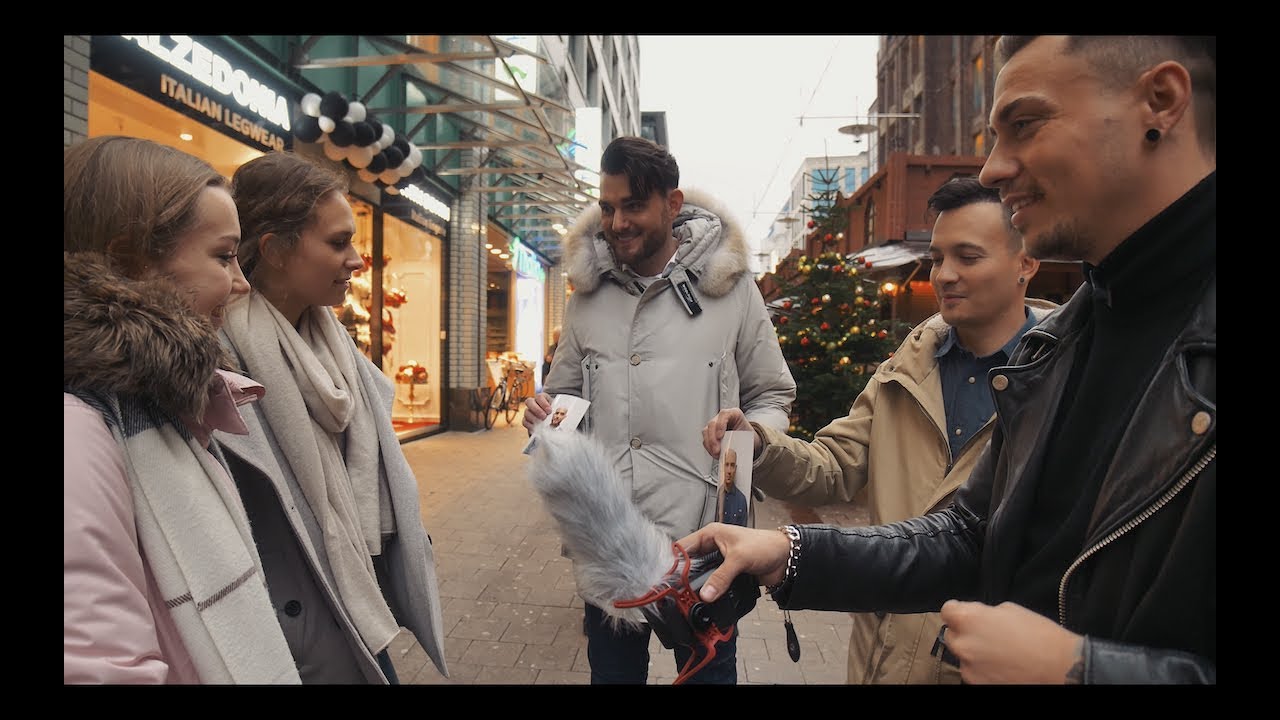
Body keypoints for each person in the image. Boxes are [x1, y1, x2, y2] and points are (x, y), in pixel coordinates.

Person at [683, 35, 1215, 684]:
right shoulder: (1068, 341)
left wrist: (1077, 671)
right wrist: (786, 552)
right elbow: (969, 534)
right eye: (939, 258)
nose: (992, 167)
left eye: (1025, 124)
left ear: (1160, 101)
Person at [701, 175, 1053, 684]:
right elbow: (833, 468)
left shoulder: (1062, 382)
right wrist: (759, 443)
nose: (945, 275)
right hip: (881, 658)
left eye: (968, 257)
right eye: (937, 258)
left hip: (980, 666)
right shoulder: (907, 368)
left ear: (1026, 263)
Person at [523, 135, 796, 684]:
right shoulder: (587, 295)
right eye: (607, 207)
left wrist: (754, 435)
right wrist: (545, 419)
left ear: (672, 205)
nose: (616, 222)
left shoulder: (732, 289)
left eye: (632, 206)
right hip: (609, 543)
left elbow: (773, 395)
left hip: (703, 552)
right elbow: (566, 392)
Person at [64, 136, 300, 683]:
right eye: (222, 256)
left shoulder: (161, 401)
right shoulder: (81, 431)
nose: (241, 284)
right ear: (130, 261)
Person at [215, 151, 449, 684]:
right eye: (339, 242)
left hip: (355, 589)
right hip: (293, 624)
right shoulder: (221, 361)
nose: (358, 261)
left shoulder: (334, 346)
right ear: (275, 250)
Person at [716, 447, 748, 526]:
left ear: (735, 469)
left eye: (732, 465)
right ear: (722, 467)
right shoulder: (715, 496)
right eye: (726, 465)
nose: (729, 471)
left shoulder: (741, 500)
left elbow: (742, 533)